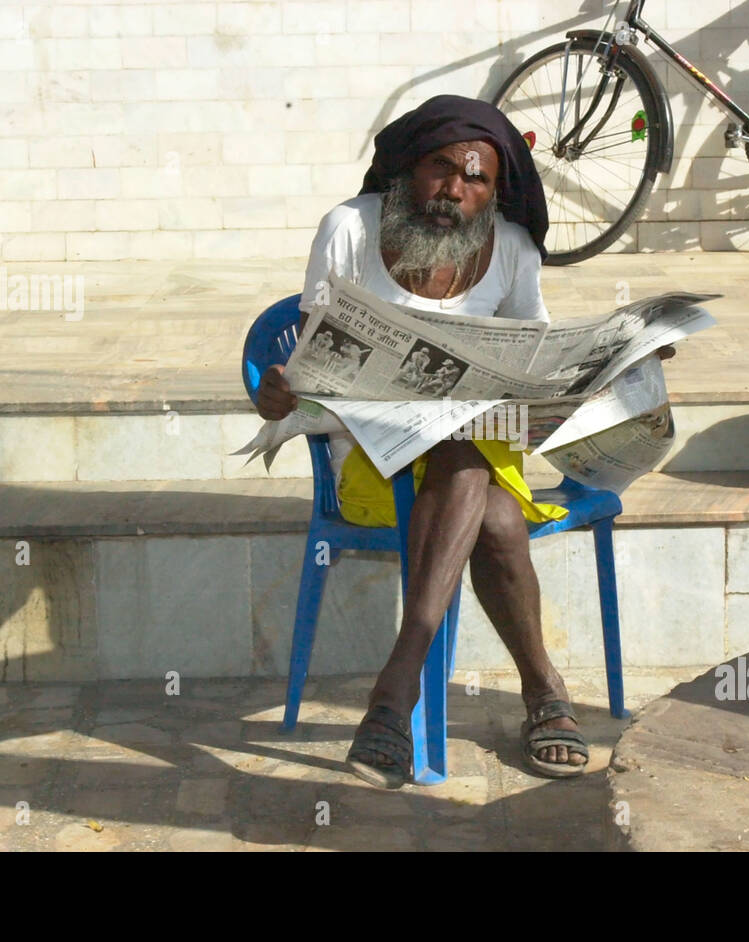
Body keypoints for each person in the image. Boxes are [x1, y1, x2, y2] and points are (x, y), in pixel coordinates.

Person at [255, 95, 673, 788]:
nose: (454, 189)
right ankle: (542, 693)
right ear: (406, 171)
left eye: (475, 179)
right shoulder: (349, 231)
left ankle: (396, 691)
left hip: (480, 449)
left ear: (494, 191)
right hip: (371, 459)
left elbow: (534, 360)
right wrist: (279, 392)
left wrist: (612, 369)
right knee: (494, 511)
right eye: (440, 169)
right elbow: (309, 363)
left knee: (464, 447)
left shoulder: (510, 249)